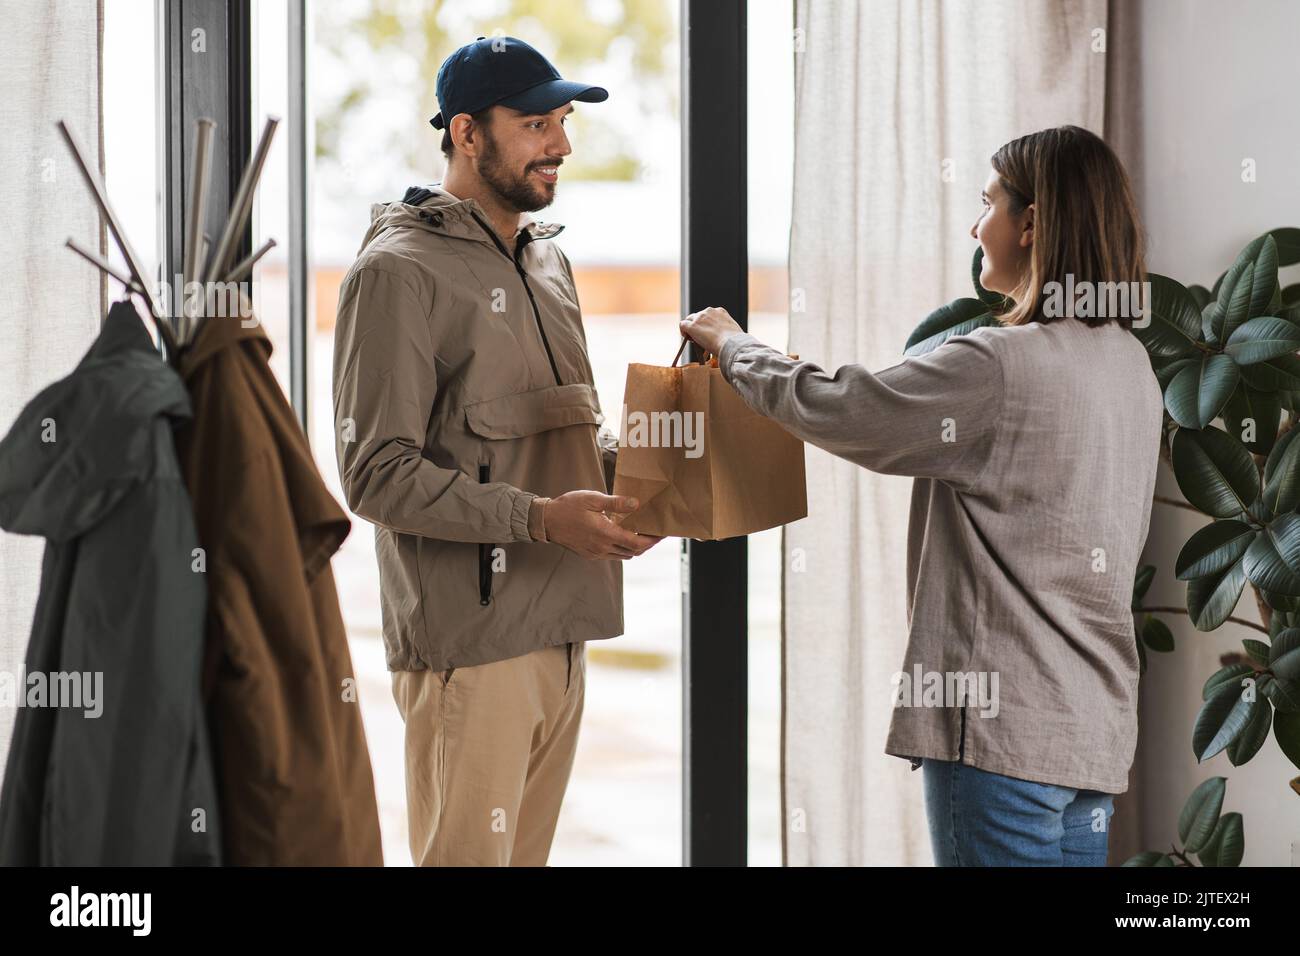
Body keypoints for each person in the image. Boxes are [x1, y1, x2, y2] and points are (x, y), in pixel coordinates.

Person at [679, 125, 1163, 866]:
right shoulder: (1131, 363)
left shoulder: (999, 364)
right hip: (1089, 735)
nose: (977, 228)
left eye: (989, 204)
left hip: (1001, 737)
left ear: (1031, 225)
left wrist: (734, 347)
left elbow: (849, 409)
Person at [332, 36, 662, 867]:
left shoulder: (548, 260)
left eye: (561, 121)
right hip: (471, 651)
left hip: (564, 630)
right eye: (535, 123)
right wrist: (545, 520)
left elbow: (568, 439)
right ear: (467, 134)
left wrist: (659, 474)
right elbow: (376, 473)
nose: (560, 144)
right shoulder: (396, 272)